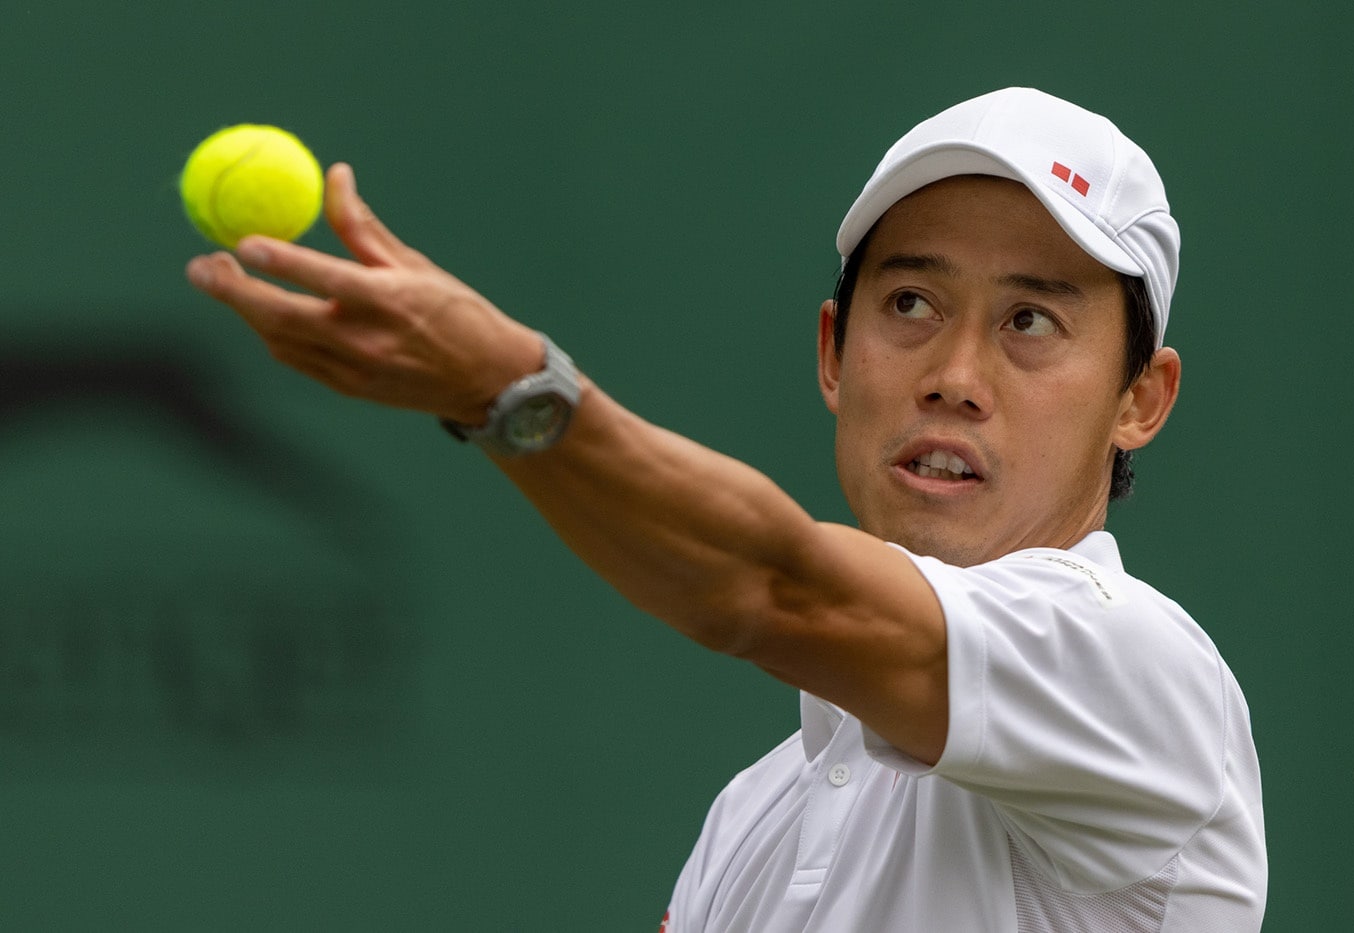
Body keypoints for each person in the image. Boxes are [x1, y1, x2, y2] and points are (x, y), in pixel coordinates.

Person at [187, 87, 1267, 930]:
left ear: (1139, 400)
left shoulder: (1131, 666)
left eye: (1029, 321)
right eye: (909, 303)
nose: (953, 372)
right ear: (832, 357)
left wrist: (510, 389)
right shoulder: (757, 810)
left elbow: (772, 590)